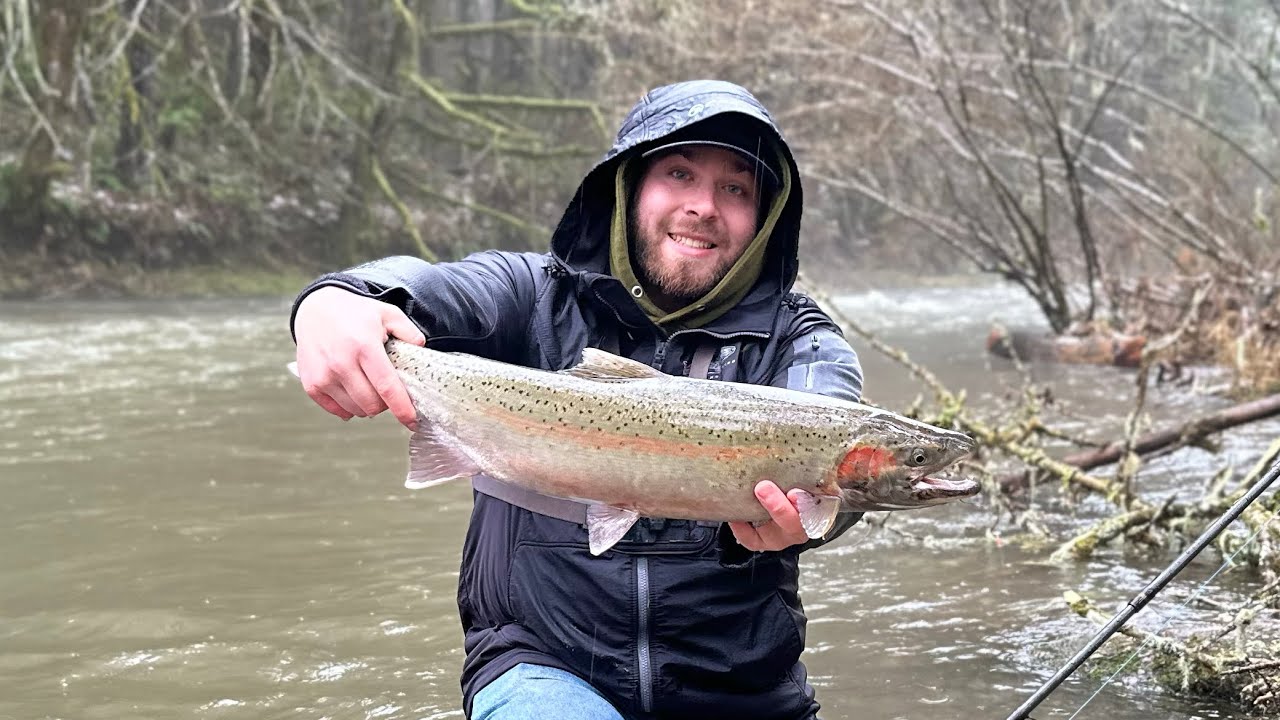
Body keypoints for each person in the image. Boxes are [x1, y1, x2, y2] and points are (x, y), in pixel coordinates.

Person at [291, 79, 865, 720]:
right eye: (679, 173)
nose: (704, 206)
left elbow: (833, 438)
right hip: (542, 664)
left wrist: (816, 518)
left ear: (763, 219)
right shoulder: (530, 294)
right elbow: (423, 287)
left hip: (743, 691)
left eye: (735, 188)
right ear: (629, 187)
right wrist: (337, 300)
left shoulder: (798, 336)